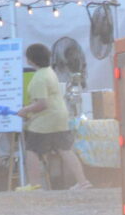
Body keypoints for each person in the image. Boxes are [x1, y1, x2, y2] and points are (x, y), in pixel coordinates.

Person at [18, 43, 91, 191]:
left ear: (31, 60)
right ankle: (83, 182)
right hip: (60, 116)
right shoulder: (50, 72)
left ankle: (34, 185)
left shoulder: (39, 78)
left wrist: (25, 110)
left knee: (32, 150)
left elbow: (42, 104)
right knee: (65, 149)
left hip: (45, 120)